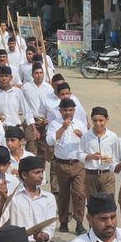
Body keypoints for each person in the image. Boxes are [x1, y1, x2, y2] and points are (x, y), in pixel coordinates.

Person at [47, 98, 87, 234]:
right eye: (65, 110)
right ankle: (63, 221)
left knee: (80, 193)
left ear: (74, 110)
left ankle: (79, 222)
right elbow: (50, 140)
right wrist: (63, 128)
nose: (68, 113)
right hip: (62, 164)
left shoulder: (80, 123)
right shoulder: (54, 124)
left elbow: (88, 143)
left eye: (70, 110)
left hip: (78, 164)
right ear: (60, 111)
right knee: (63, 194)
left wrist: (82, 136)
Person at [80, 107, 119, 198]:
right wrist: (90, 157)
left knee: (108, 203)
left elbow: (117, 156)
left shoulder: (112, 136)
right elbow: (79, 153)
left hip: (107, 174)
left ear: (107, 119)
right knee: (93, 204)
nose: (98, 124)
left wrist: (110, 159)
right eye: (95, 121)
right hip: (91, 174)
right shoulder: (86, 136)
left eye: (101, 120)